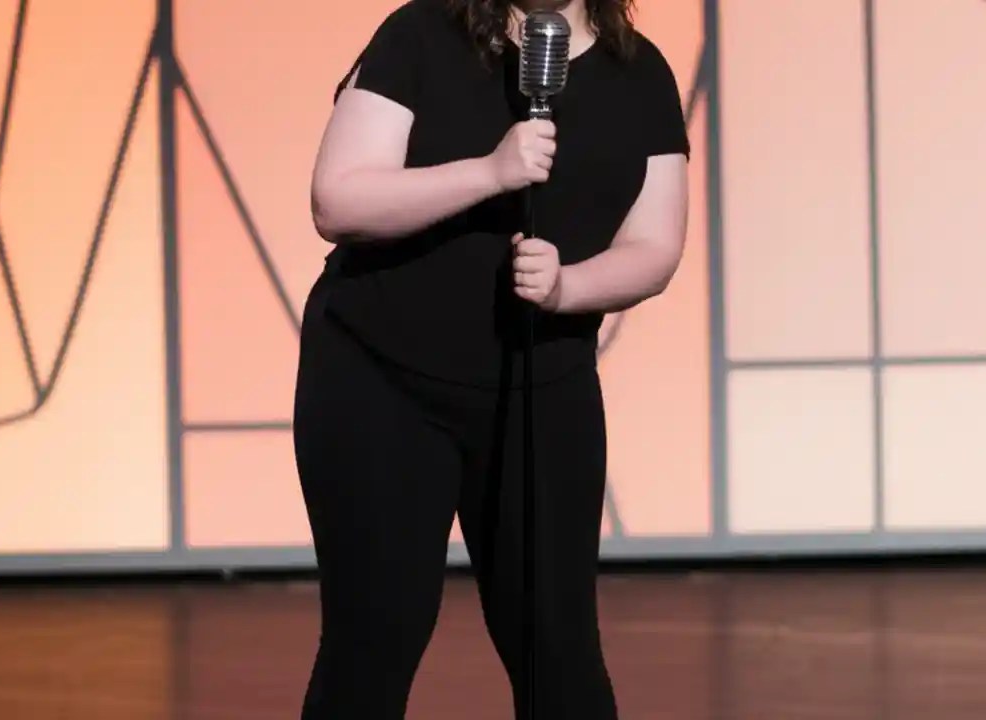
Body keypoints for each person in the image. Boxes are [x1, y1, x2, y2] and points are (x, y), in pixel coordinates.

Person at [293, 0, 689, 716]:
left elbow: (655, 247)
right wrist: (490, 172)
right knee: (372, 642)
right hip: (380, 379)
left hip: (541, 385)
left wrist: (569, 286)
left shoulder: (641, 75)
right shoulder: (420, 36)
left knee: (558, 652)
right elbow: (338, 199)